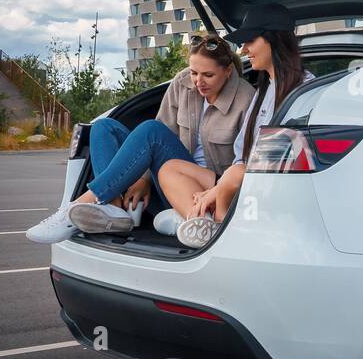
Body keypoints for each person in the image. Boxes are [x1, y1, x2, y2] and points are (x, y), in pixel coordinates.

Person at [26, 33, 255, 243]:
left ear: (228, 71)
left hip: (207, 191)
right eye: (194, 72)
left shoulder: (246, 98)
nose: (198, 81)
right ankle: (113, 208)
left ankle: (75, 206)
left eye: (208, 75)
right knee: (103, 127)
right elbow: (164, 132)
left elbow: (242, 169)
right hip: (167, 180)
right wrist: (143, 179)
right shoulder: (183, 82)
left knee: (150, 130)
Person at [158, 2, 314, 247]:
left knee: (235, 174)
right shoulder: (264, 90)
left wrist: (219, 190)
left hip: (264, 189)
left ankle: (206, 221)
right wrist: (218, 189)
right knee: (169, 169)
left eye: (250, 41)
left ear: (274, 40)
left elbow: (282, 159)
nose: (244, 50)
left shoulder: (304, 92)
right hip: (236, 183)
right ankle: (202, 220)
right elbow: (241, 153)